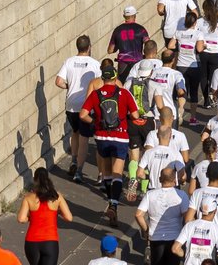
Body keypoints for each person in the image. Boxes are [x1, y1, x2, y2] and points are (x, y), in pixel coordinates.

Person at [81, 58, 147, 223]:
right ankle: (113, 205)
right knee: (118, 173)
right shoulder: (124, 93)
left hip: (101, 136)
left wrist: (95, 123)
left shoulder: (96, 94)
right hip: (120, 136)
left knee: (107, 172)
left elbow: (83, 115)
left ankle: (111, 201)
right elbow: (135, 115)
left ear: (102, 78)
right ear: (115, 77)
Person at [55, 35, 101, 180]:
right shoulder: (95, 64)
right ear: (89, 47)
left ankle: (74, 160)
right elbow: (100, 84)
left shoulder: (69, 61)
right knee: (84, 139)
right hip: (87, 106)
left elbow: (58, 81)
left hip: (71, 105)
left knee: (74, 132)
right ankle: (79, 171)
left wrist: (69, 87)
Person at [16, 168, 72, 265]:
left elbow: (21, 219)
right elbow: (69, 217)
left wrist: (30, 217)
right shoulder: (56, 197)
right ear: (48, 178)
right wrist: (57, 212)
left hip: (32, 241)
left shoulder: (28, 198)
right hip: (50, 242)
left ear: (35, 180)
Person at [136, 165, 190, 265]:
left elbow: (138, 215)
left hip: (155, 237)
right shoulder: (181, 195)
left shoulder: (150, 195)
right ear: (174, 180)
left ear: (160, 179)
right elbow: (188, 218)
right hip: (175, 239)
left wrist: (146, 230)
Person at [172, 200, 218, 265]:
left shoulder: (189, 226)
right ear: (215, 211)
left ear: (200, 209)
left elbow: (175, 249)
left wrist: (187, 256)